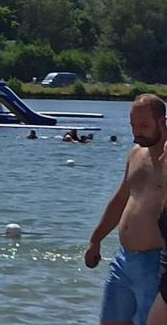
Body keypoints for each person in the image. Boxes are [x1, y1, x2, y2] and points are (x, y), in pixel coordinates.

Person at [92, 95, 167, 325]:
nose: (137, 133)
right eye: (133, 126)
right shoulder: (135, 153)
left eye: (144, 126)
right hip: (123, 259)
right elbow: (121, 200)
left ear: (162, 122)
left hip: (154, 262)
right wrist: (96, 239)